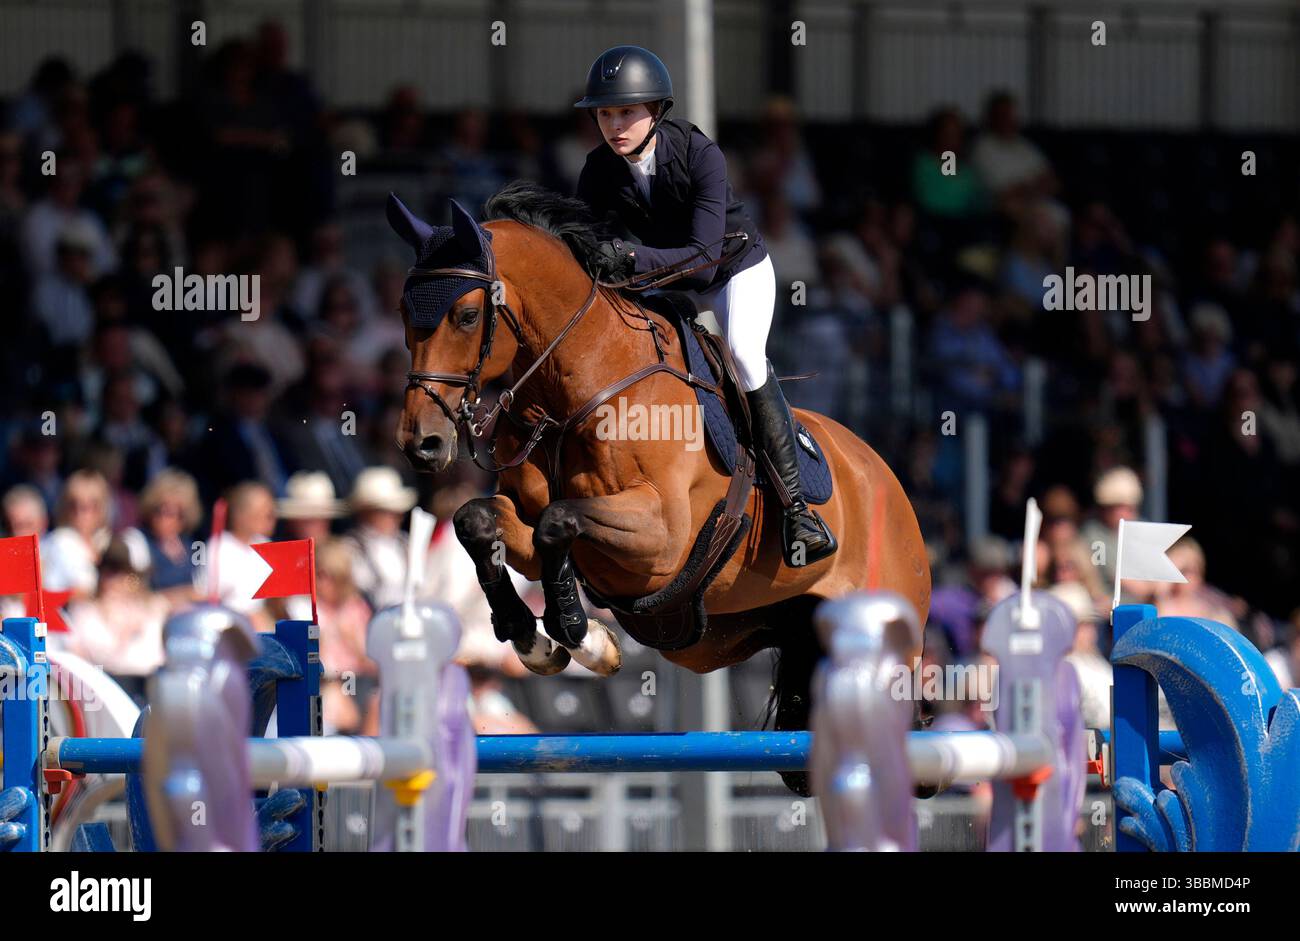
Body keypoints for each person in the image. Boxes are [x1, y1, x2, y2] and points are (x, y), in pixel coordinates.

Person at [571, 45, 835, 567]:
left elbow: (705, 262)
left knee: (742, 354)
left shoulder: (699, 154)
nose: (614, 124)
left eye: (626, 112)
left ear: (656, 111)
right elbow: (581, 241)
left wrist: (624, 255)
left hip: (732, 271)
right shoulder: (598, 169)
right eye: (605, 113)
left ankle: (797, 509)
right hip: (663, 279)